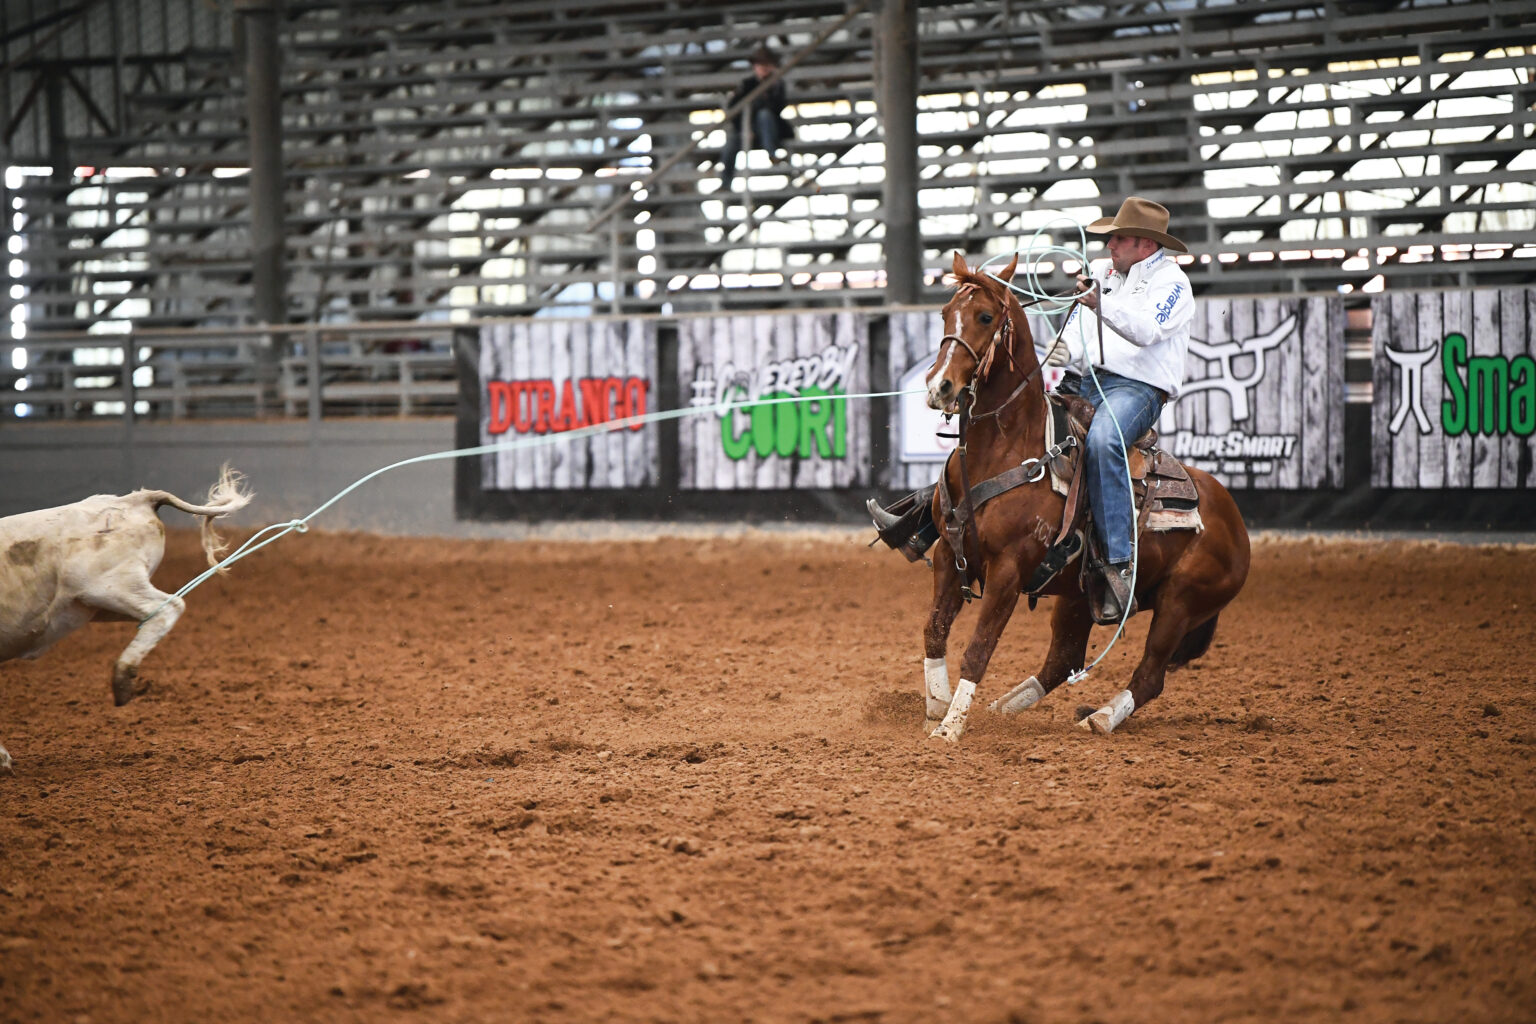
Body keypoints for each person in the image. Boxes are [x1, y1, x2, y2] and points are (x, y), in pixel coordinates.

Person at [1042, 196, 1194, 623]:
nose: (1110, 245)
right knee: (1024, 422)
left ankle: (1118, 565)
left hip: (1139, 389)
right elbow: (1079, 327)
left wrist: (1101, 304)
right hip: (1089, 379)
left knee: (1105, 440)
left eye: (1120, 238)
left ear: (1146, 244)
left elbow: (1147, 331)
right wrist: (1066, 349)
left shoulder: (1173, 284)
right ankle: (928, 518)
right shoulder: (1104, 272)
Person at [719, 45, 792, 190]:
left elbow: (779, 107)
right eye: (760, 64)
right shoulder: (747, 85)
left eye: (767, 64)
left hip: (771, 129)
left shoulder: (777, 84)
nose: (763, 67)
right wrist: (745, 129)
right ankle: (725, 183)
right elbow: (734, 109)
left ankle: (771, 152)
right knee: (730, 146)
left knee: (764, 115)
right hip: (747, 129)